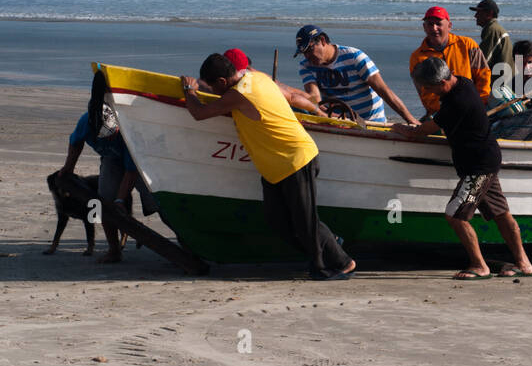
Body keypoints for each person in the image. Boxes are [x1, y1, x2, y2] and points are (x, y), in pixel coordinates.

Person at [181, 53, 354, 280]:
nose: (213, 92)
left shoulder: (239, 94)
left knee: (305, 221)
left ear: (223, 82)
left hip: (295, 158)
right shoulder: (256, 77)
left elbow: (199, 113)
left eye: (213, 87)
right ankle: (327, 244)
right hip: (275, 167)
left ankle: (340, 263)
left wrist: (189, 91)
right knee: (277, 221)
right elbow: (291, 95)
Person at [394, 57, 532, 280]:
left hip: (478, 168)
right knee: (501, 214)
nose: (426, 92)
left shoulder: (456, 104)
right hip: (487, 159)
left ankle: (480, 266)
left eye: (428, 88)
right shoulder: (465, 82)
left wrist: (401, 129)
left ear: (441, 82)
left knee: (455, 215)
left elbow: (422, 130)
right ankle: (524, 264)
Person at [58, 103, 158, 263]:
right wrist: (68, 167)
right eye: (106, 136)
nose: (110, 138)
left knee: (156, 201)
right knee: (102, 202)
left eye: (113, 134)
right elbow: (76, 142)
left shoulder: (128, 132)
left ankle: (186, 241)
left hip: (140, 160)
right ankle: (114, 250)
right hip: (111, 159)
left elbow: (131, 171)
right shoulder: (86, 122)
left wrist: (120, 200)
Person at [292, 26, 419, 124]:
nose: (308, 56)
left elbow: (384, 91)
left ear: (323, 41)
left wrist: (410, 119)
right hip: (338, 120)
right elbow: (314, 98)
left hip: (370, 121)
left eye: (309, 50)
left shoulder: (355, 57)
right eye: (304, 53)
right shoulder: (306, 65)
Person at [409, 6, 492, 117]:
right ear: (424, 27)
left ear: (449, 26)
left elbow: (483, 76)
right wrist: (442, 111)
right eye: (430, 24)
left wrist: (481, 103)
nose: (434, 28)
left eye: (438, 24)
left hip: (472, 108)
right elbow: (424, 93)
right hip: (441, 113)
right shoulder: (417, 57)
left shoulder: (467, 45)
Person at [223, 47, 323, 115]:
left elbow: (293, 95)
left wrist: (320, 109)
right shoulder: (258, 76)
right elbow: (294, 92)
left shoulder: (251, 80)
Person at [472, 0, 514, 74]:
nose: (475, 16)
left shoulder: (492, 29)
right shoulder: (494, 28)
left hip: (501, 80)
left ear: (489, 14)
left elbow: (483, 60)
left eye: (479, 12)